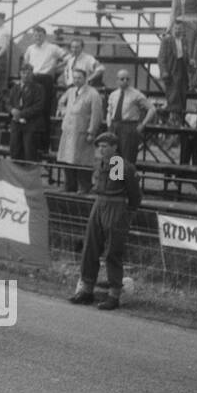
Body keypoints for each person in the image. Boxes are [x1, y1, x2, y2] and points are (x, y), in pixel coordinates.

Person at [70, 131, 141, 310]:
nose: (101, 149)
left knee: (112, 251)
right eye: (99, 146)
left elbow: (119, 189)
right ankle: (86, 289)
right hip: (100, 204)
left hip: (113, 206)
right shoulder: (102, 163)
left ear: (114, 147)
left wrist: (129, 211)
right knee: (90, 247)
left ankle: (114, 295)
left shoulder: (117, 164)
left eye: (105, 146)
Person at [56, 67, 104, 192]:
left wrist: (91, 132)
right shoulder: (70, 91)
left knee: (83, 161)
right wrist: (63, 111)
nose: (76, 80)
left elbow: (96, 115)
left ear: (86, 78)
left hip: (82, 132)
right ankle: (69, 186)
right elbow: (61, 103)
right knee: (68, 160)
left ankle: (84, 187)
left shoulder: (93, 94)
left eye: (79, 78)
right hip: (69, 131)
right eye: (75, 78)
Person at [106, 69, 155, 165]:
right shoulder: (113, 95)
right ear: (117, 80)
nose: (125, 81)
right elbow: (109, 111)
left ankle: (127, 179)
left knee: (127, 157)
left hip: (129, 127)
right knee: (115, 156)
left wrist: (143, 124)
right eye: (122, 79)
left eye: (127, 79)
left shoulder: (136, 94)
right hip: (115, 126)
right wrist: (109, 125)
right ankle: (116, 179)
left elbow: (152, 109)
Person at [22, 26, 66, 121]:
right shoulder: (30, 48)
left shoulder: (52, 48)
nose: (38, 37)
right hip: (32, 78)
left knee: (45, 105)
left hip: (46, 79)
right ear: (33, 37)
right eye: (35, 35)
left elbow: (67, 57)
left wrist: (55, 67)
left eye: (40, 35)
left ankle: (44, 132)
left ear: (45, 36)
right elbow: (26, 63)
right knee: (30, 104)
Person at [7, 62, 47, 162]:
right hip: (16, 125)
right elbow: (7, 103)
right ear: (20, 74)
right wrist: (12, 110)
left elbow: (39, 106)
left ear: (32, 74)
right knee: (15, 152)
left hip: (31, 125)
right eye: (23, 72)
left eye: (28, 73)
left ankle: (29, 176)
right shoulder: (15, 88)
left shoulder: (39, 88)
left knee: (29, 153)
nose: (26, 75)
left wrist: (21, 113)